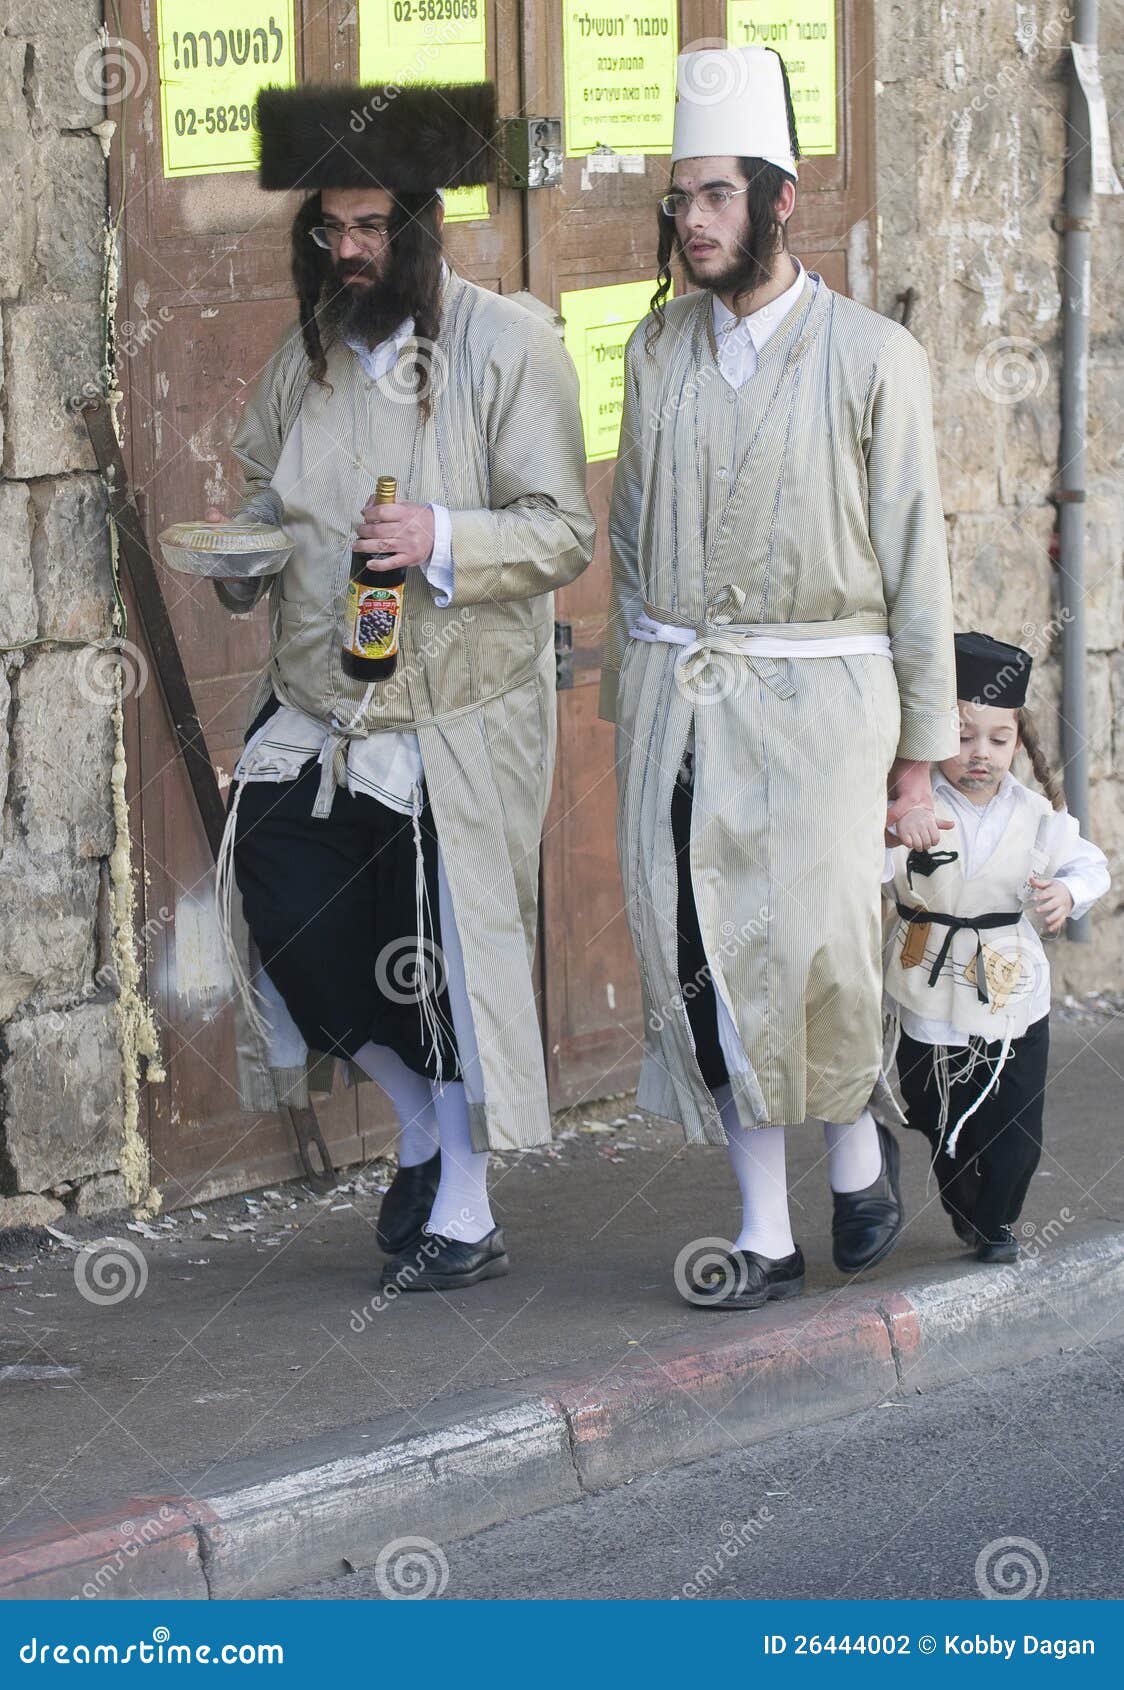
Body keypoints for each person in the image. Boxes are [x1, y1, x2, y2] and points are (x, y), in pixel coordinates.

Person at [202, 80, 594, 1291]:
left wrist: (442, 535)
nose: (349, 251)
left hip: (457, 714)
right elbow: (271, 501)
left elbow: (561, 533)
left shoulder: (508, 344)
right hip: (320, 710)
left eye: (370, 229)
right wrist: (240, 557)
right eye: (328, 230)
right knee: (286, 912)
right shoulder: (308, 353)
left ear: (421, 227)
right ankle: (420, 1127)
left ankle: (465, 1215)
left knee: (434, 957)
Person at [601, 45, 959, 1311]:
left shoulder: (870, 358)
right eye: (677, 199)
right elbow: (632, 547)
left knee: (815, 954)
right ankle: (764, 1232)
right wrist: (627, 711)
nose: (690, 223)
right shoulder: (655, 355)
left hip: (823, 707)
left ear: (775, 199)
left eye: (712, 197)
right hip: (682, 706)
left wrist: (918, 758)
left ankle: (857, 1159)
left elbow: (917, 565)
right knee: (704, 952)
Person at [885, 631, 1110, 1264]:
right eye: (961, 736)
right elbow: (866, 868)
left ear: (1018, 740)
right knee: (935, 1108)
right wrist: (896, 827)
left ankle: (998, 1223)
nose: (979, 754)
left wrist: (1067, 893)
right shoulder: (906, 805)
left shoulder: (1037, 814)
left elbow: (1091, 866)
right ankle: (964, 1203)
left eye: (997, 738)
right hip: (927, 975)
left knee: (1014, 1121)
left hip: (1012, 984)